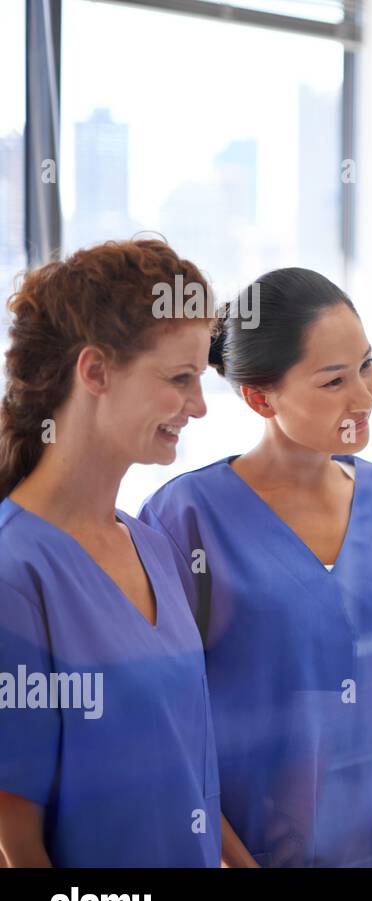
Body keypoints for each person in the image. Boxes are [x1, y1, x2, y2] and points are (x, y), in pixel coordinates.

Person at [139, 268, 372, 867]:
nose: (363, 396)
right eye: (333, 381)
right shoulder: (185, 519)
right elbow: (167, 730)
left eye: (367, 365)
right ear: (260, 397)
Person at [0, 239, 220, 867]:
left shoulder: (156, 550)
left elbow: (185, 772)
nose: (199, 406)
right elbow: (15, 845)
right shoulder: (16, 573)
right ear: (95, 372)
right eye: (180, 379)